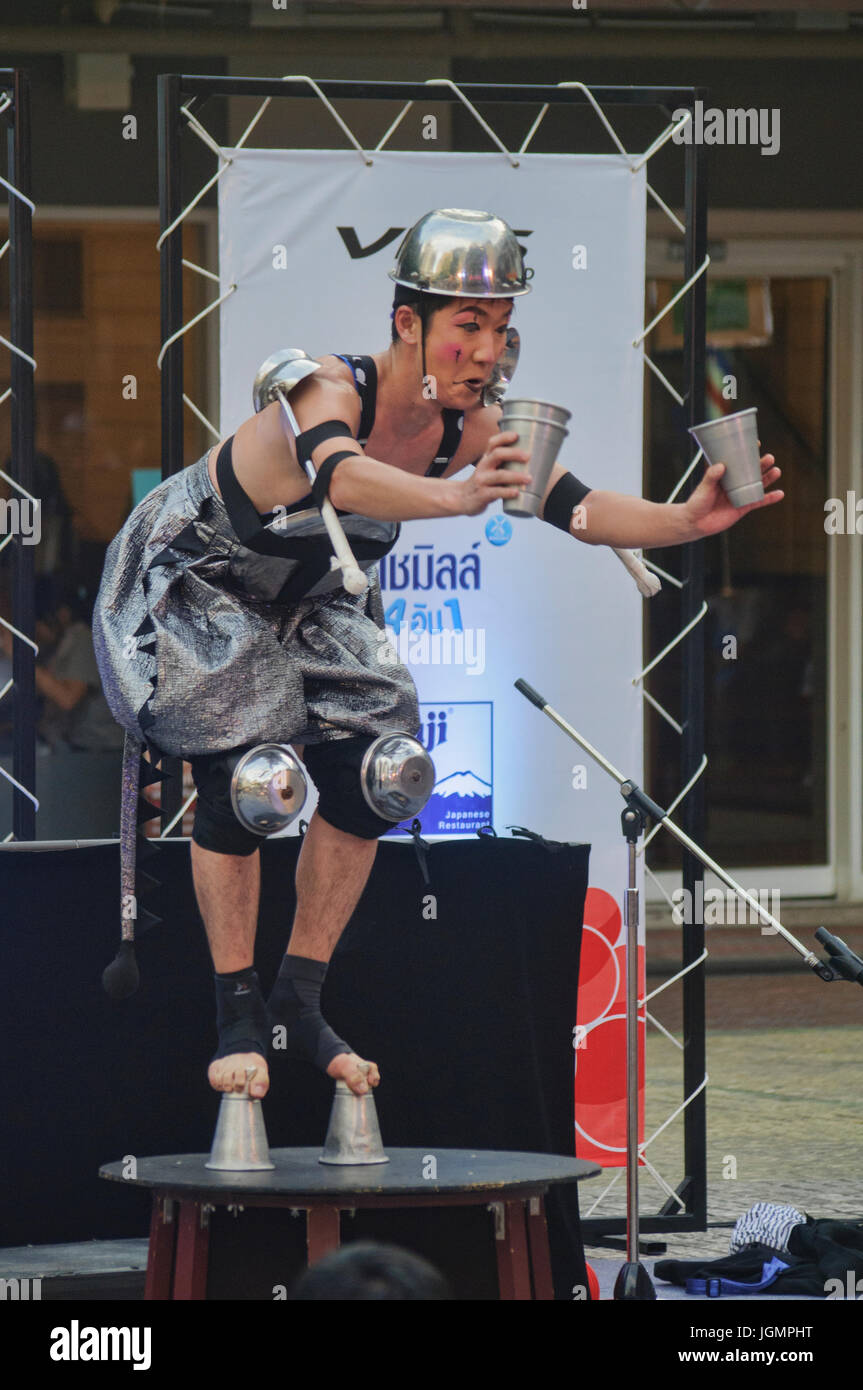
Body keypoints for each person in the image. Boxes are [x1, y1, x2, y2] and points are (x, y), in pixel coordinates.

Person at [93, 208, 782, 1105]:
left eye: (499, 330)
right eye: (467, 325)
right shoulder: (328, 388)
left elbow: (574, 507)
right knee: (254, 778)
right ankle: (234, 1014)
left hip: (306, 600)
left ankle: (299, 998)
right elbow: (340, 476)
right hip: (195, 581)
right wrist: (456, 502)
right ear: (407, 324)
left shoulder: (471, 425)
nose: (487, 351)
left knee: (387, 771)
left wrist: (687, 522)